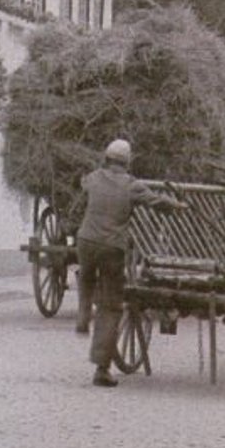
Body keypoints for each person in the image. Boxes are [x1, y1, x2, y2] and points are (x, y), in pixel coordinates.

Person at [75, 138, 174, 387]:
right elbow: (156, 201)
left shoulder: (93, 178)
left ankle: (83, 312)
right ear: (128, 162)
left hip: (85, 241)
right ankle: (101, 369)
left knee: (86, 277)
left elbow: (82, 187)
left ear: (106, 159)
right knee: (110, 305)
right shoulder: (132, 185)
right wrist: (176, 205)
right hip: (111, 247)